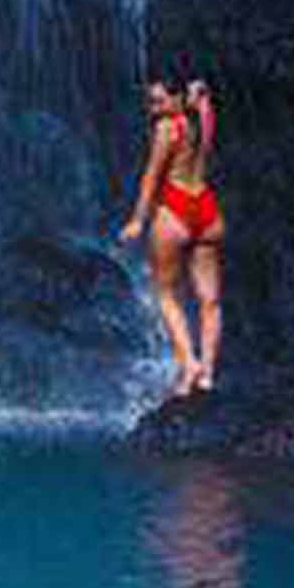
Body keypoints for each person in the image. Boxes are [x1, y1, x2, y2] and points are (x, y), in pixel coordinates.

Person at [120, 71, 224, 396]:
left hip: (176, 210)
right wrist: (200, 94)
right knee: (210, 300)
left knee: (165, 294)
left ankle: (188, 363)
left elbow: (151, 177)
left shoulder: (167, 128)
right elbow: (204, 99)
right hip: (207, 208)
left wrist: (137, 220)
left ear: (177, 99)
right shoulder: (204, 117)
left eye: (159, 100)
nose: (153, 107)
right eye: (150, 101)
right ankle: (207, 373)